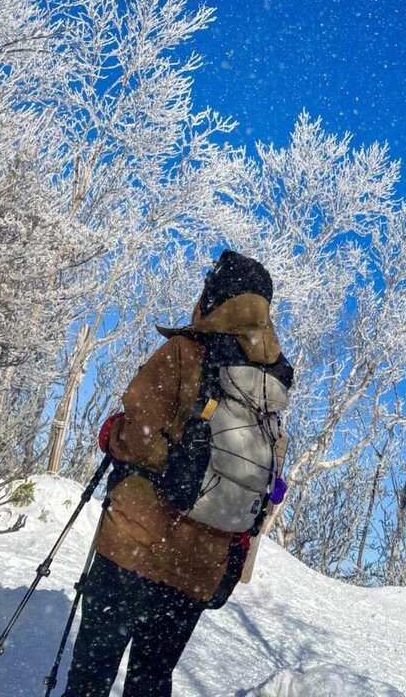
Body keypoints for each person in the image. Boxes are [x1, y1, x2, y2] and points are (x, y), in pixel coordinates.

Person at [63, 250, 293, 697]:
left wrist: (112, 434)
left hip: (135, 545)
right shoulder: (269, 387)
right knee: (151, 680)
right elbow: (269, 480)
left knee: (92, 673)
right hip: (197, 566)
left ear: (215, 295)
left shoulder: (184, 352)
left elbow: (138, 438)